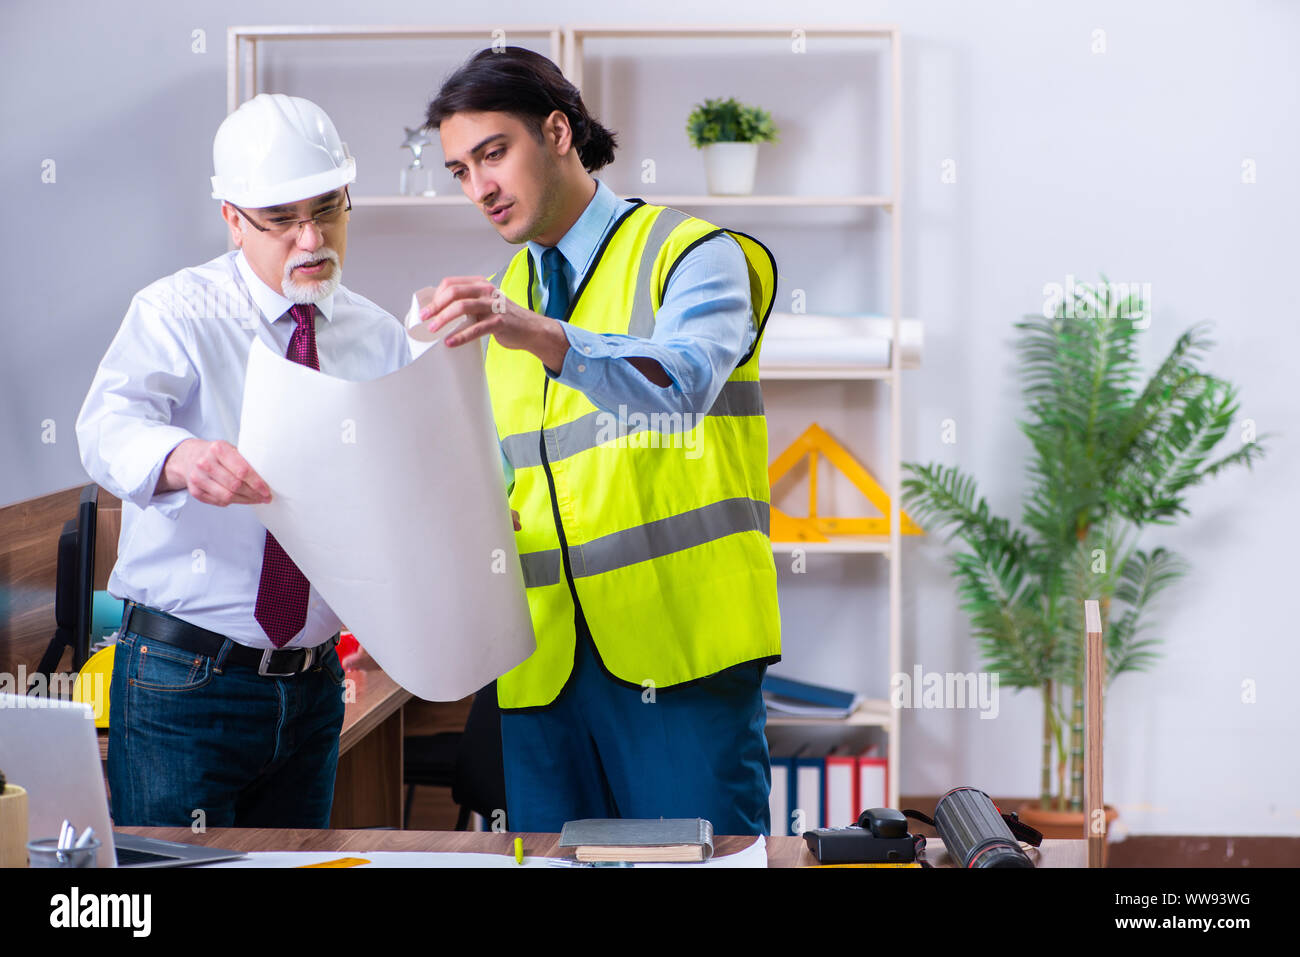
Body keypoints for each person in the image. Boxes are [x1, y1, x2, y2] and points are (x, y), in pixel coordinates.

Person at [421, 47, 783, 835]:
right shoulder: (502, 301)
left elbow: (682, 383)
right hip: (541, 671)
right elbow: (503, 476)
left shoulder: (694, 254)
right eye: (459, 170)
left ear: (558, 133)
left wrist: (543, 334)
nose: (480, 188)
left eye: (493, 153)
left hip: (681, 657)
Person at [75, 93, 410, 828]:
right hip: (183, 683)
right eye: (281, 218)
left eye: (327, 209)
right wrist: (180, 456)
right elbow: (104, 426)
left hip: (314, 684)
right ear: (232, 218)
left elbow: (394, 482)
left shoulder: (379, 337)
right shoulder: (176, 312)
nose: (311, 238)